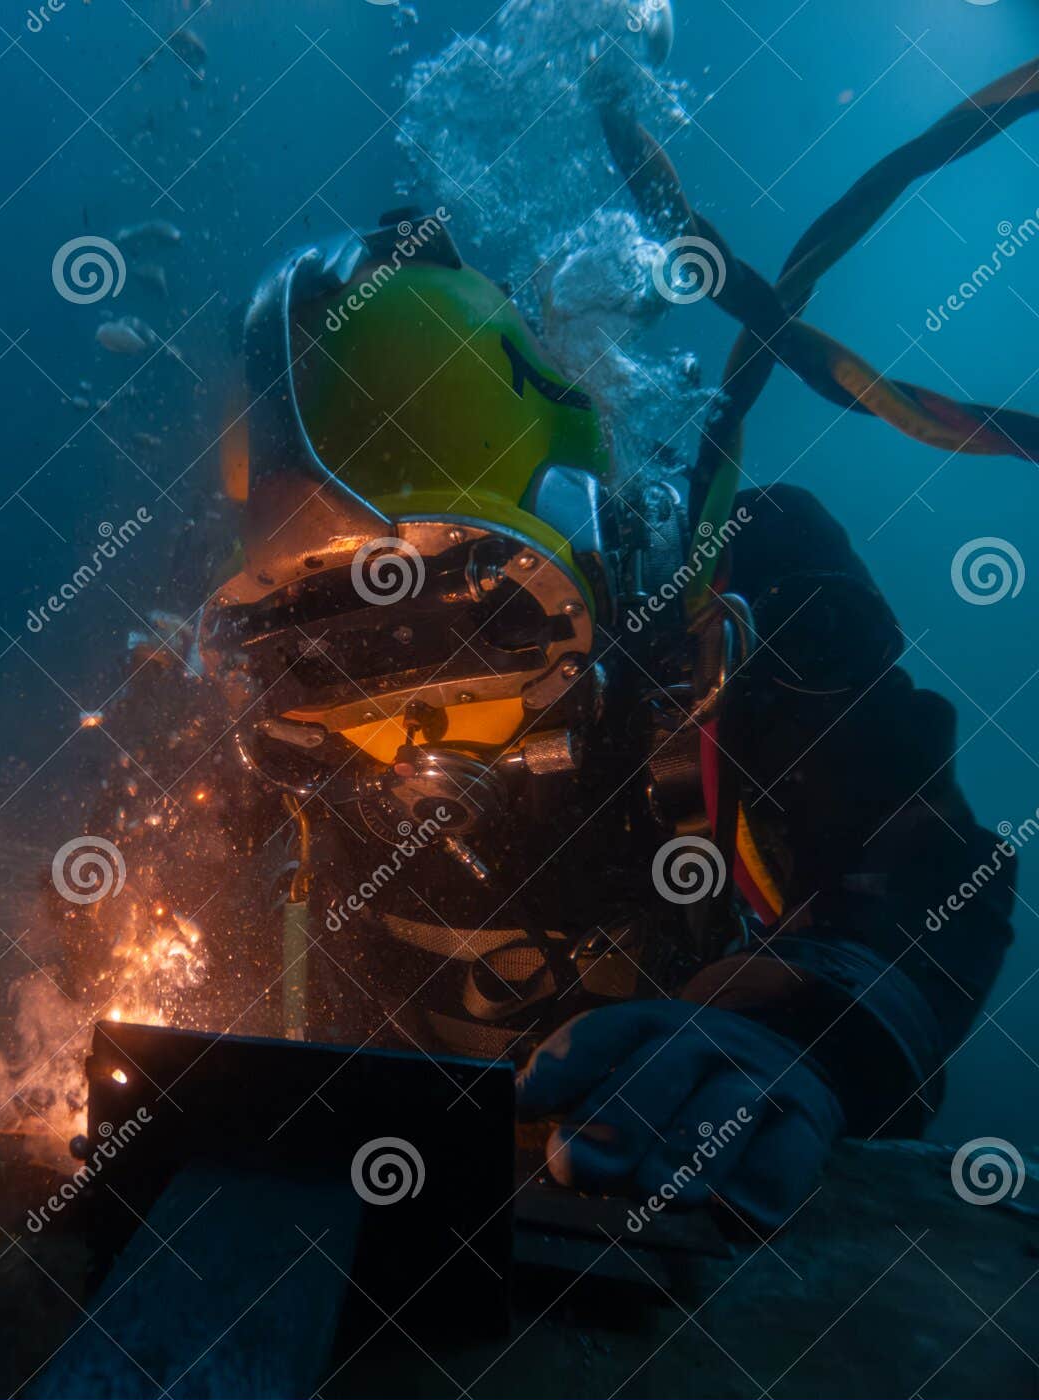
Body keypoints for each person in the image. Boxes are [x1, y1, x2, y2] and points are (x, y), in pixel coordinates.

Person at [57, 204, 1019, 1232]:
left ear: (586, 543)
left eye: (479, 624)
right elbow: (132, 907)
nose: (411, 730)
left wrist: (813, 1036)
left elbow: (925, 872)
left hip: (689, 1191)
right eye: (323, 653)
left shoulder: (749, 591)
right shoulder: (251, 729)